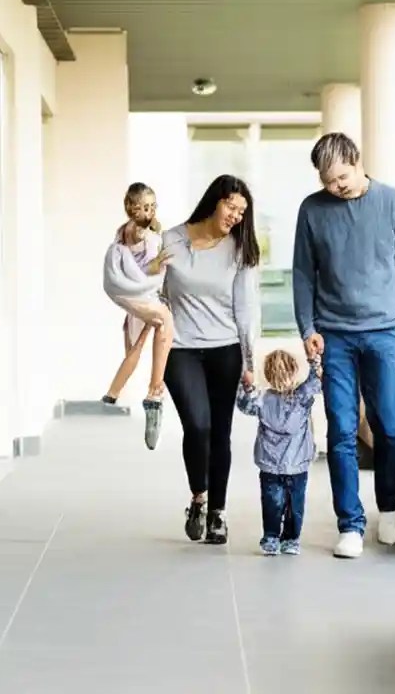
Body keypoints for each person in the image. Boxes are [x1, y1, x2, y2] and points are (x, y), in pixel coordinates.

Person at [292, 132, 395, 560]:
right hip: (334, 335)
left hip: (385, 333)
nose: (338, 187)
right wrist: (306, 328)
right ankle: (349, 523)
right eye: (329, 181)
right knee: (341, 430)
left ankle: (387, 506)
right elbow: (302, 274)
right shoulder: (312, 210)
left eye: (343, 176)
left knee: (389, 426)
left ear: (357, 161)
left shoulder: (394, 204)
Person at [162, 174, 259, 545]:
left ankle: (217, 511)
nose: (235, 215)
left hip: (226, 349)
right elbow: (152, 289)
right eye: (231, 206)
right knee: (197, 426)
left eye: (241, 211)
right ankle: (198, 498)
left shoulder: (240, 248)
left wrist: (249, 362)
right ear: (214, 201)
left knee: (221, 432)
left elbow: (246, 307)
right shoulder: (172, 239)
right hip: (180, 349)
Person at [101, 182, 175, 449]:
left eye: (153, 206)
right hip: (138, 293)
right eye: (145, 207)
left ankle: (111, 395)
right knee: (163, 321)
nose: (150, 211)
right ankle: (155, 394)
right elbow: (148, 269)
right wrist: (160, 258)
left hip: (143, 296)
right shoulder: (137, 233)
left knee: (138, 344)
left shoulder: (129, 233)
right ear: (131, 209)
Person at [236, 349, 323, 556]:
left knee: (271, 502)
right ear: (294, 370)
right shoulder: (302, 397)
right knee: (296, 505)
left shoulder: (262, 400)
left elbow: (244, 405)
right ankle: (291, 539)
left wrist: (245, 386)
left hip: (269, 462)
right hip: (298, 462)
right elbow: (316, 382)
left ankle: (271, 537)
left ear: (267, 374)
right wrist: (315, 362)